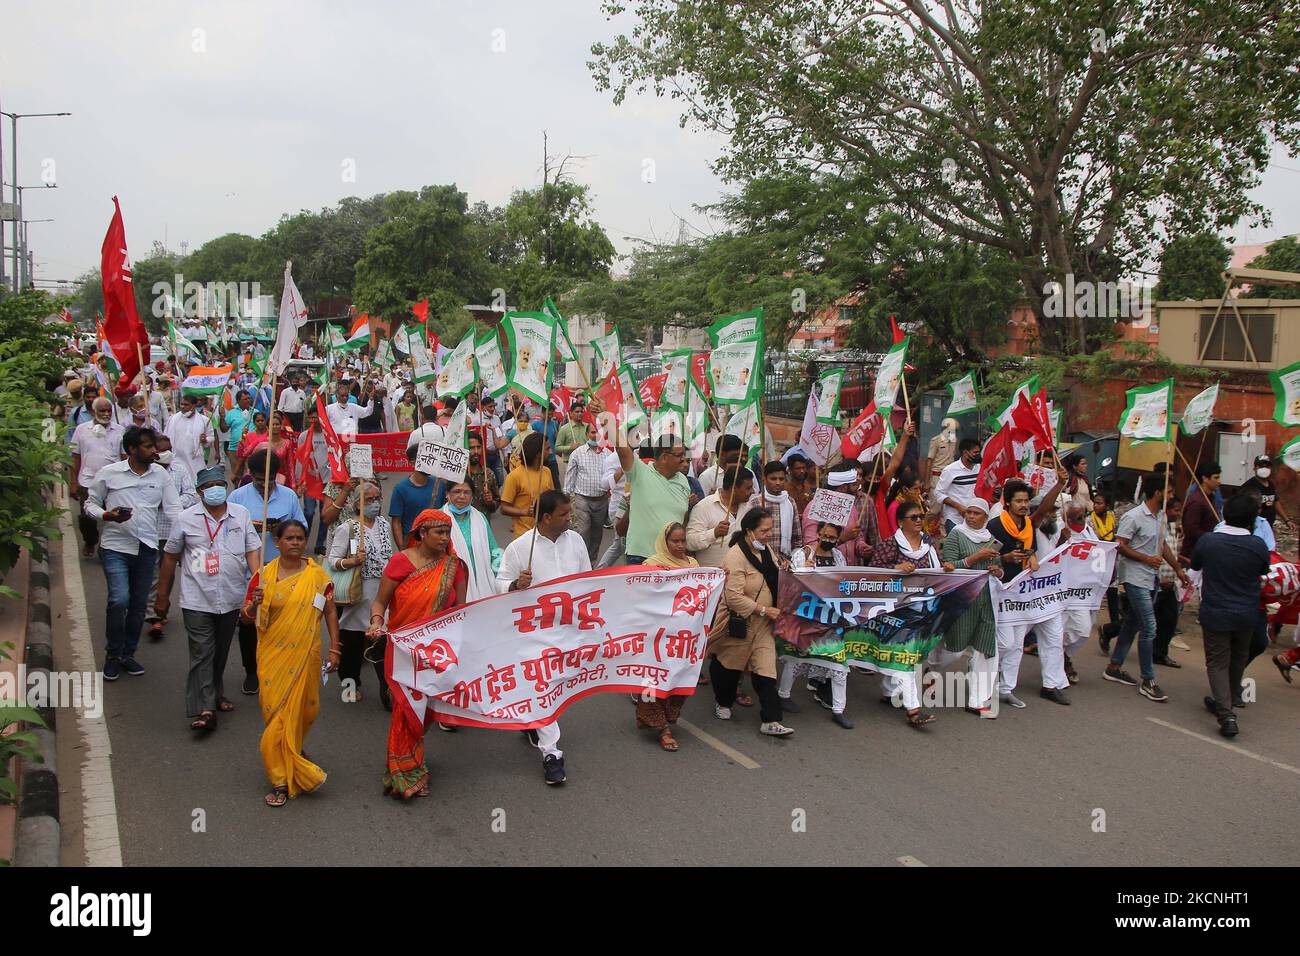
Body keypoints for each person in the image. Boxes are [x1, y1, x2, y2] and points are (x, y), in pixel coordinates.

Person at [367, 509, 468, 798]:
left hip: (436, 653)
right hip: (402, 650)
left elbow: (461, 611)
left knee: (422, 712)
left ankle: (408, 757)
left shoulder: (454, 566)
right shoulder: (401, 562)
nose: (444, 538)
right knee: (404, 709)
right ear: (421, 533)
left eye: (447, 533)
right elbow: (380, 602)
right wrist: (376, 623)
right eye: (439, 532)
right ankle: (405, 770)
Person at [155, 466, 261, 731]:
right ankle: (205, 708)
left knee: (220, 651)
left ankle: (215, 691)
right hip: (196, 597)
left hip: (232, 596)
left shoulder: (241, 515)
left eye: (219, 484)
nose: (215, 489)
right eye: (209, 485)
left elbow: (252, 549)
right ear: (200, 492)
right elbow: (169, 557)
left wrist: (259, 582)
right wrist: (162, 596)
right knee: (202, 651)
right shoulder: (186, 518)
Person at [243, 520, 340, 806]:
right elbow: (247, 618)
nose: (296, 543)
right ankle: (280, 780)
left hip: (306, 655)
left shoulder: (317, 576)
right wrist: (254, 604)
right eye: (290, 538)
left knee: (308, 710)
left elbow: (331, 613)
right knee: (277, 719)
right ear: (277, 542)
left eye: (300, 538)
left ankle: (293, 748)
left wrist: (335, 649)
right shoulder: (263, 577)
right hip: (274, 656)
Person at [496, 491, 589, 784]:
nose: (569, 518)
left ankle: (532, 721)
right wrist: (514, 584)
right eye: (564, 514)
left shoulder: (575, 541)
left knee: (558, 685)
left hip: (568, 629)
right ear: (546, 517)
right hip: (534, 634)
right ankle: (551, 754)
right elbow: (500, 584)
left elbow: (586, 578)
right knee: (543, 686)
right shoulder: (520, 548)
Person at [85, 426, 182, 680]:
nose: (154, 451)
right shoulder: (109, 474)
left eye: (154, 446)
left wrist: (182, 539)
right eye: (148, 447)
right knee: (119, 600)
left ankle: (128, 654)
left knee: (139, 606)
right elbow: (90, 503)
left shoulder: (161, 475)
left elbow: (173, 509)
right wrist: (106, 515)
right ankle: (112, 654)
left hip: (147, 548)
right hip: (115, 547)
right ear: (132, 449)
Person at [228, 448, 308, 694]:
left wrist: (280, 529)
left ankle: (278, 668)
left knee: (280, 622)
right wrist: (251, 526)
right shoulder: (238, 498)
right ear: (250, 474)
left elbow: (301, 527)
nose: (265, 484)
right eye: (259, 480)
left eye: (270, 479)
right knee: (249, 622)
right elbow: (227, 531)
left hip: (282, 570)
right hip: (247, 572)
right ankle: (251, 671)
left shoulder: (288, 496)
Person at [1192, 494, 1271, 737]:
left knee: (1217, 661)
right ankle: (1227, 700)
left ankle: (1226, 713)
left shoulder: (1208, 541)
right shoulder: (1258, 545)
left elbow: (1195, 565)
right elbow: (1264, 570)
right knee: (1237, 659)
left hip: (1215, 611)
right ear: (1252, 520)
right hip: (1246, 613)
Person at [709, 508, 793, 737]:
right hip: (738, 624)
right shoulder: (735, 557)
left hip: (764, 626)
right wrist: (763, 610)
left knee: (766, 670)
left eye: (770, 530)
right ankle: (723, 702)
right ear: (749, 531)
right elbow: (733, 597)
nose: (768, 534)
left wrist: (784, 568)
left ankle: (771, 720)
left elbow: (776, 575)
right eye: (764, 530)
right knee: (727, 666)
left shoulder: (768, 552)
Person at [988, 473, 1068, 708]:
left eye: (1025, 501)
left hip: (1025, 592)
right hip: (1002, 591)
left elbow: (1042, 510)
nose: (1023, 506)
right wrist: (1006, 557)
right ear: (1008, 503)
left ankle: (1006, 688)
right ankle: (981, 673)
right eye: (1018, 501)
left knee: (1016, 645)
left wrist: (1060, 484)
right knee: (1005, 642)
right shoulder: (996, 526)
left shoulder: (1029, 526)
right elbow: (987, 559)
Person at [1105, 479, 1189, 702]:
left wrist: (1178, 569)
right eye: (1169, 491)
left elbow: (1162, 546)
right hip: (1134, 578)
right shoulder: (1133, 516)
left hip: (1151, 578)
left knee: (1133, 623)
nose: (1171, 495)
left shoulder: (1161, 517)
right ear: (1158, 492)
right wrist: (1145, 559)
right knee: (1149, 627)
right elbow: (1120, 545)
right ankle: (1148, 679)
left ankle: (1114, 666)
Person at [869, 497, 950, 724]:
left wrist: (947, 568)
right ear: (900, 522)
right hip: (896, 611)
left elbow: (938, 569)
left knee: (911, 656)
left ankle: (889, 692)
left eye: (920, 517)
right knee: (904, 656)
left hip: (923, 610)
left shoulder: (929, 544)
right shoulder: (889, 545)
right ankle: (913, 709)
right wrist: (895, 568)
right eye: (913, 517)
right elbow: (872, 572)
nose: (918, 521)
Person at [327, 480, 396, 708]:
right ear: (358, 504)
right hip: (358, 594)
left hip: (382, 592)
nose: (375, 503)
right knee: (353, 642)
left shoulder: (384, 525)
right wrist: (351, 561)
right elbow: (332, 561)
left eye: (378, 498)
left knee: (381, 641)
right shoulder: (347, 528)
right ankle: (350, 683)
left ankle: (387, 690)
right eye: (370, 499)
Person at [779, 521, 854, 728]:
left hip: (830, 619)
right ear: (817, 534)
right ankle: (783, 695)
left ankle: (839, 709)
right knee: (795, 659)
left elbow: (843, 582)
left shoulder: (838, 557)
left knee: (839, 665)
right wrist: (805, 571)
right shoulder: (802, 554)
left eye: (832, 538)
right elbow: (791, 580)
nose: (827, 541)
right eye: (824, 536)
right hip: (807, 617)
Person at [937, 499, 1003, 718]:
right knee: (954, 650)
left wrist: (997, 570)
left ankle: (977, 700)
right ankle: (932, 669)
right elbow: (949, 566)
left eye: (976, 513)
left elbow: (999, 568)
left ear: (985, 517)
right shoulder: (956, 534)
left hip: (985, 601)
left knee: (983, 650)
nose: (971, 516)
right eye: (969, 512)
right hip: (964, 600)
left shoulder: (991, 540)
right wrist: (975, 558)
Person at [636, 521, 699, 750]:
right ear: (664, 542)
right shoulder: (651, 565)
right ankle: (660, 726)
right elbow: (641, 596)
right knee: (654, 679)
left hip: (683, 636)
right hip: (657, 636)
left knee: (678, 679)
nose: (680, 546)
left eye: (683, 541)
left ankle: (663, 718)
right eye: (675, 541)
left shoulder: (693, 563)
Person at [145, 434, 199, 639]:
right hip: (148, 531)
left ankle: (159, 611)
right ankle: (153, 614)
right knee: (152, 575)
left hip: (171, 531)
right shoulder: (145, 472)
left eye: (169, 449)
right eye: (161, 449)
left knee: (165, 575)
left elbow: (191, 495)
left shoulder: (180, 469)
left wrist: (171, 502)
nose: (166, 453)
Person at [70, 396, 126, 558]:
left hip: (113, 482)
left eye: (109, 410)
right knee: (87, 517)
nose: (106, 414)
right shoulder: (81, 430)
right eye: (102, 410)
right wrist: (73, 482)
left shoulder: (119, 430)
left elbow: (124, 457)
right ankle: (90, 541)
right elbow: (75, 457)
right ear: (94, 412)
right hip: (88, 481)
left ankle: (106, 548)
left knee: (111, 517)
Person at [444, 479, 504, 602]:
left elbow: (494, 550)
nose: (461, 496)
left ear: (472, 496)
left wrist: (502, 576)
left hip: (483, 583)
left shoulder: (480, 518)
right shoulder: (439, 519)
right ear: (447, 494)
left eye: (466, 492)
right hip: (451, 585)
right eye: (457, 492)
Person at [687, 465, 754, 568]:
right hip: (713, 579)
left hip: (741, 574)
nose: (753, 491)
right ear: (734, 488)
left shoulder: (748, 507)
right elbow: (690, 542)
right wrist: (714, 533)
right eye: (748, 488)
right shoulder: (704, 507)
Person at [563, 422, 609, 564]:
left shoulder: (609, 454)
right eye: (592, 432)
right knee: (583, 532)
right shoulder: (577, 453)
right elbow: (570, 475)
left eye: (598, 433)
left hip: (601, 500)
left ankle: (591, 564)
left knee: (597, 535)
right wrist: (566, 499)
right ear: (586, 434)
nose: (595, 435)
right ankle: (578, 563)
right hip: (582, 499)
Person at [499, 431, 555, 539]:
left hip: (545, 534)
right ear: (538, 453)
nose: (551, 451)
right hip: (523, 536)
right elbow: (504, 508)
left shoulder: (547, 471)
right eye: (547, 449)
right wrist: (525, 511)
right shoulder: (514, 476)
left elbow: (551, 499)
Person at [1153, 496, 1186, 669]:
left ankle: (1159, 653)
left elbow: (1172, 552)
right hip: (1156, 580)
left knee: (1169, 619)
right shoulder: (1159, 527)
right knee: (1139, 619)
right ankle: (1109, 631)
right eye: (1175, 510)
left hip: (1169, 580)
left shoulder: (1175, 528)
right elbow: (1158, 551)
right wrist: (1159, 577)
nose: (1178, 513)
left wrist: (1179, 568)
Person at [749, 460, 802, 563]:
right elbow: (750, 536)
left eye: (781, 479)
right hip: (760, 560)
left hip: (785, 562)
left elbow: (797, 537)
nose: (778, 482)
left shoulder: (790, 502)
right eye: (773, 479)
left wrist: (795, 560)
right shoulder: (756, 502)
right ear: (764, 479)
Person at [389, 436, 440, 543]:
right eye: (424, 459)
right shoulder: (400, 489)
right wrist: (402, 550)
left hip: (437, 542)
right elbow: (396, 522)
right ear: (412, 463)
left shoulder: (439, 484)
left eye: (430, 459)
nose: (428, 462)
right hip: (413, 544)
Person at [1090, 491, 1124, 649]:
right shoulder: (1089, 520)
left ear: (1107, 505)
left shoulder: (1113, 518)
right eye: (1095, 503)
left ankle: (1112, 626)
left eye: (1100, 503)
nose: (1096, 506)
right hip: (1095, 560)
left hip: (1112, 560)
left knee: (1112, 593)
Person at [165, 392, 215, 486]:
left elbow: (212, 437)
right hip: (176, 459)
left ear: (194, 406)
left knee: (197, 485)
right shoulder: (173, 419)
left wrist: (205, 440)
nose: (183, 407)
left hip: (195, 460)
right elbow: (166, 437)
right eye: (181, 404)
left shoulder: (204, 420)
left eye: (186, 404)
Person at [933, 439, 982, 533]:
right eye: (975, 452)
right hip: (955, 519)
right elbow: (938, 493)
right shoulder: (950, 470)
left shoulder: (979, 468)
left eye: (979, 452)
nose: (978, 455)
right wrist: (958, 507)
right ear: (965, 453)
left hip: (974, 519)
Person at [1179, 461, 1223, 560]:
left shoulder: (1211, 497)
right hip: (1194, 556)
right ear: (1205, 478)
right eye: (1216, 477)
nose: (1219, 481)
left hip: (1207, 552)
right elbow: (1191, 530)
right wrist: (1214, 538)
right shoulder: (1197, 501)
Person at [1240, 454, 1293, 530]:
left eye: (1267, 466)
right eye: (1261, 466)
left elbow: (1275, 501)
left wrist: (1287, 520)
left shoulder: (1271, 484)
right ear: (1255, 468)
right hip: (1254, 527)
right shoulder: (1249, 486)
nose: (1264, 469)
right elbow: (1241, 507)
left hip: (1268, 526)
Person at [922, 417, 959, 509]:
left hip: (950, 477)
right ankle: (926, 523)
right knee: (935, 508)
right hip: (937, 477)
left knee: (947, 507)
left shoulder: (955, 441)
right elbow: (929, 461)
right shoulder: (936, 440)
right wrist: (926, 482)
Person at [465, 432, 500, 515]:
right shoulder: (458, 475)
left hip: (483, 525)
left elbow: (497, 502)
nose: (476, 451)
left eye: (478, 447)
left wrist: (490, 502)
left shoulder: (489, 474)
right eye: (472, 448)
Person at [554, 399, 588, 476]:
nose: (580, 413)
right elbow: (557, 448)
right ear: (571, 414)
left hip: (586, 462)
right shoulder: (564, 429)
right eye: (577, 412)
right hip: (570, 463)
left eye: (581, 411)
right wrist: (570, 447)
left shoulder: (588, 427)